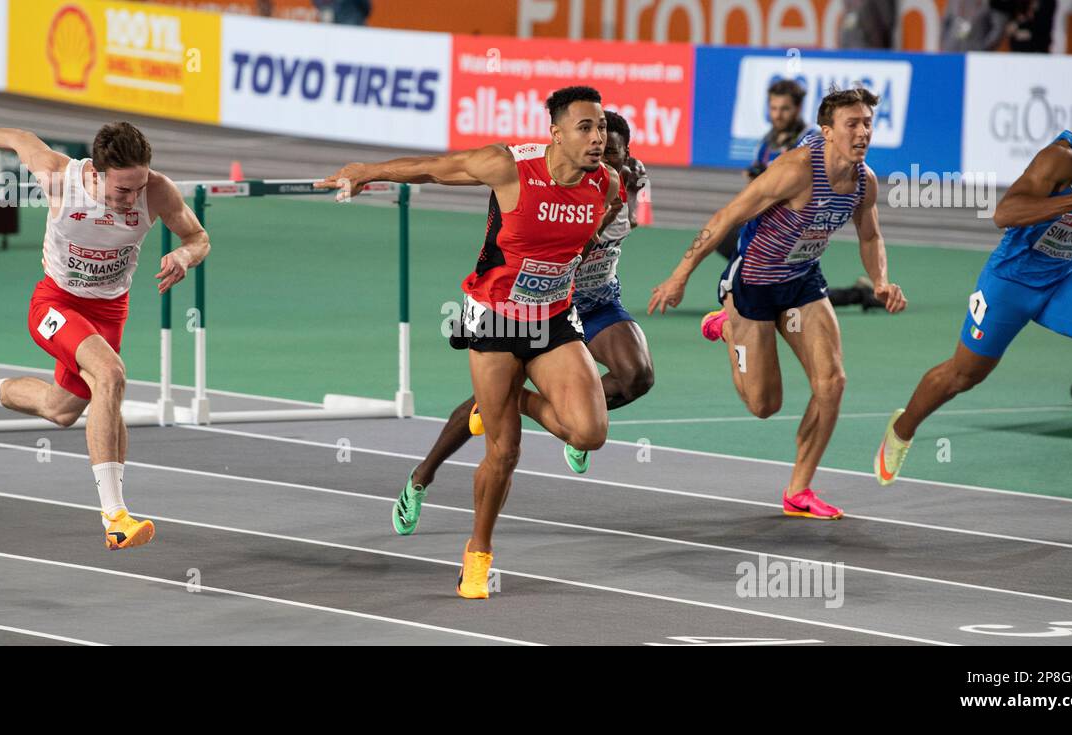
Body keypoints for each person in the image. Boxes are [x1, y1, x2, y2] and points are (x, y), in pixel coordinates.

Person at [318, 86, 620, 599]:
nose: (597, 138)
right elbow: (435, 167)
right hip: (497, 318)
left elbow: (594, 226)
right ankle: (477, 554)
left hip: (553, 315)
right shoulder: (507, 167)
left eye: (601, 128)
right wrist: (368, 170)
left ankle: (510, 400)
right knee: (504, 452)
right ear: (556, 133)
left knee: (589, 433)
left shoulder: (606, 184)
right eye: (585, 128)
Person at [0, 121, 211, 549]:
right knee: (110, 376)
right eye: (122, 190)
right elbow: (19, 138)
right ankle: (115, 517)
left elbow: (198, 237)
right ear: (96, 172)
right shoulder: (60, 177)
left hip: (110, 312)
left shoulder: (158, 190)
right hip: (55, 304)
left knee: (61, 410)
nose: (131, 199)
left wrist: (185, 256)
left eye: (138, 187)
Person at [391, 110, 654, 537]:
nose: (601, 158)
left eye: (612, 153)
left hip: (595, 298)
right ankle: (423, 474)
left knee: (637, 376)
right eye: (595, 147)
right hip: (532, 303)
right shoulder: (558, 180)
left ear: (626, 155)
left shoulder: (625, 184)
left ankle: (571, 418)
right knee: (494, 412)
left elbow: (614, 227)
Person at [649, 87, 907, 520]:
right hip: (752, 285)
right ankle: (727, 325)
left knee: (832, 382)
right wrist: (680, 274)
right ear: (827, 131)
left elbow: (870, 235)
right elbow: (727, 217)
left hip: (802, 282)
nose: (863, 132)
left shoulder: (865, 181)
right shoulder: (796, 170)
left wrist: (881, 280)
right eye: (852, 124)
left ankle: (799, 490)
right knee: (764, 406)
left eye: (867, 123)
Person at [876, 99, 1072, 491]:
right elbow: (1005, 213)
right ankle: (901, 430)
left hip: (1062, 278)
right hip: (1011, 281)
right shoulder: (1062, 159)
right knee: (963, 375)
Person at [715, 79, 880, 311]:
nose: (778, 115)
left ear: (798, 109)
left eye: (785, 109)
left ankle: (856, 294)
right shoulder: (767, 143)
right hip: (773, 228)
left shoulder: (814, 140)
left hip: (803, 229)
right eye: (773, 108)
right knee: (727, 239)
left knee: (794, 283)